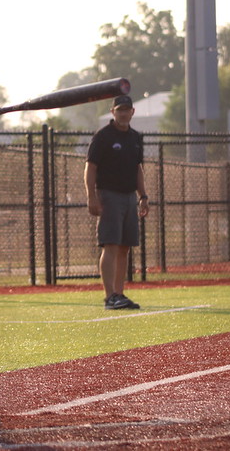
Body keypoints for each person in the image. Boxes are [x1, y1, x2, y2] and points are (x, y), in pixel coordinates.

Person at [84, 94, 149, 310]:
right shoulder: (103, 136)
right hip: (109, 195)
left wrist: (143, 196)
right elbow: (90, 167)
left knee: (124, 247)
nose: (123, 113)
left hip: (129, 196)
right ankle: (109, 296)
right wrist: (91, 196)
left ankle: (120, 294)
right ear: (113, 112)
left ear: (132, 112)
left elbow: (138, 169)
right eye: (119, 109)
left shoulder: (135, 137)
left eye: (126, 109)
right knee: (110, 244)